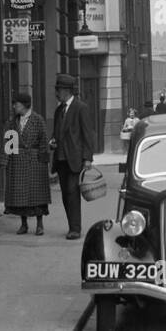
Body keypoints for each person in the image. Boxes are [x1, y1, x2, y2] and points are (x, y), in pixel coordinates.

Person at [49, 74, 96, 240]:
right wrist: (53, 142)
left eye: (58, 90)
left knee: (72, 192)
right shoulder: (58, 110)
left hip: (75, 159)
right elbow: (56, 133)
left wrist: (88, 157)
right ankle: (71, 225)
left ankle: (75, 228)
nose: (56, 93)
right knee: (64, 194)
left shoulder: (80, 108)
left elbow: (87, 134)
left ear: (67, 91)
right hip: (61, 159)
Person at [2, 93, 49, 235]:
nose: (14, 106)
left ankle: (40, 224)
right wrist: (4, 161)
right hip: (18, 162)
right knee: (20, 194)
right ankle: (24, 224)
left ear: (24, 105)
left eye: (16, 103)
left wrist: (44, 162)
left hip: (35, 162)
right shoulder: (12, 122)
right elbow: (8, 143)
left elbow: (43, 141)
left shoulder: (38, 120)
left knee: (37, 194)